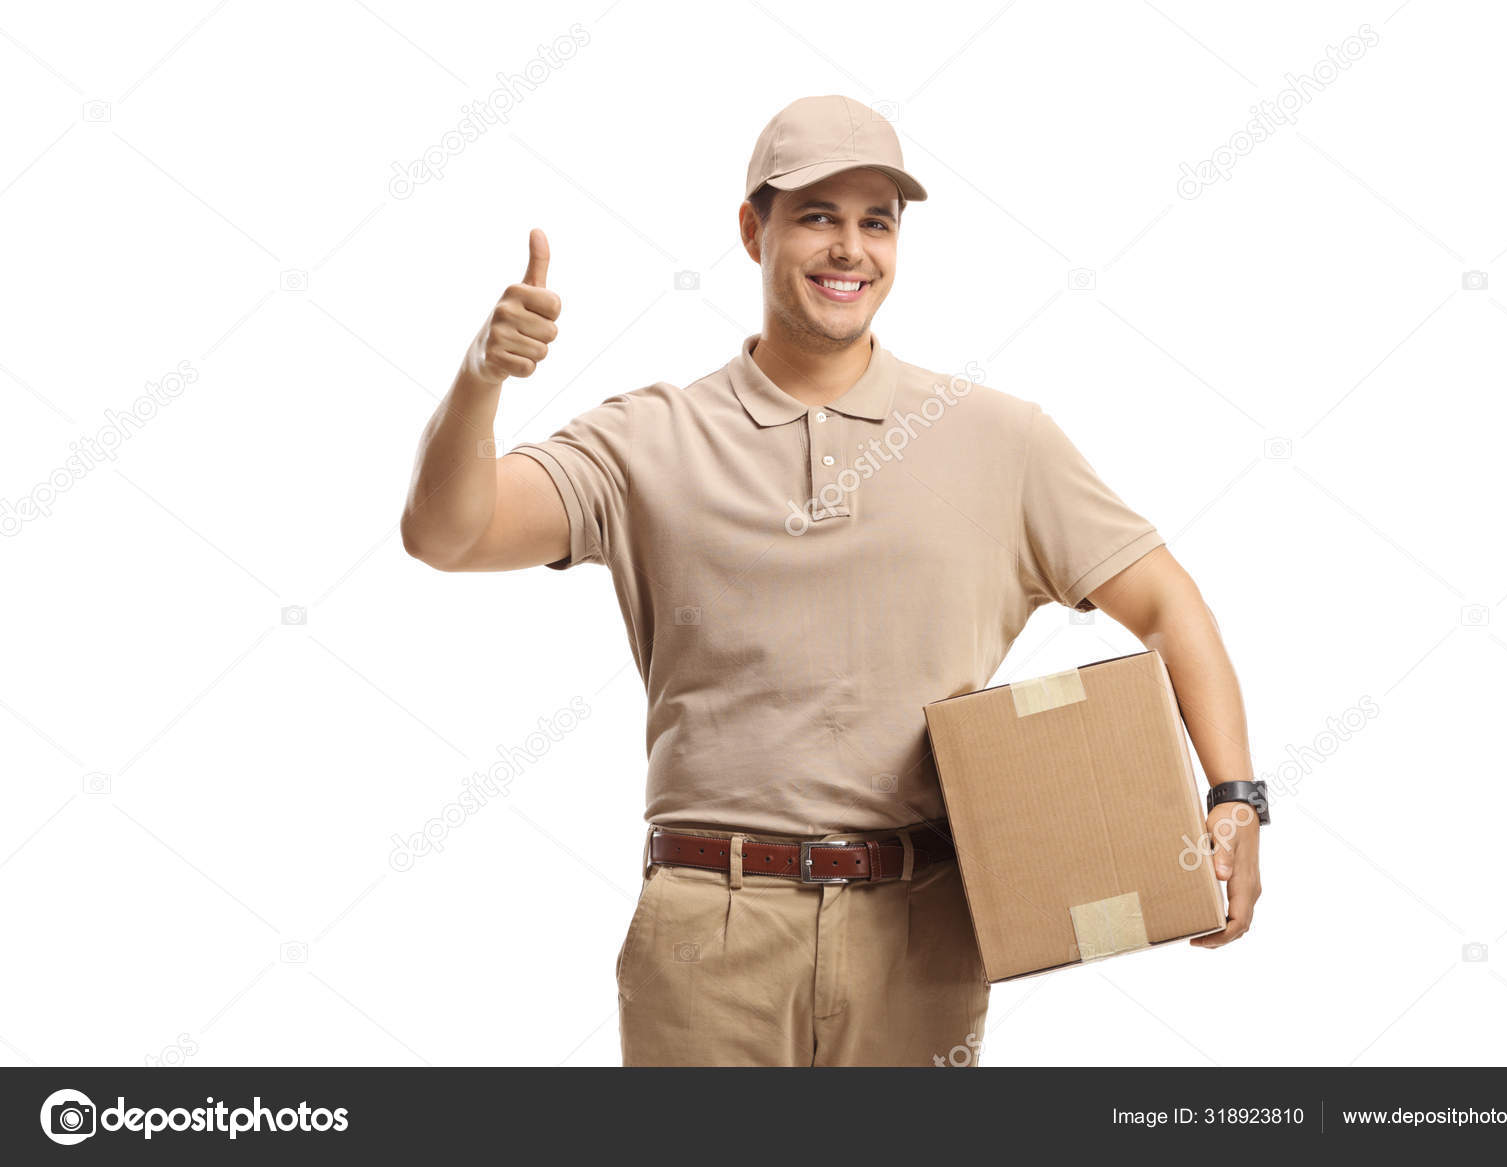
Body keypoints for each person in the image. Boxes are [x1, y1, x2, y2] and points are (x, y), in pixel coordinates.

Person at [399, 95, 1263, 1067]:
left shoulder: (999, 439)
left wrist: (1236, 798)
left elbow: (1165, 602)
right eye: (817, 215)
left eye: (876, 222)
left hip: (925, 931)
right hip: (707, 933)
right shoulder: (649, 438)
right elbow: (447, 532)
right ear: (750, 229)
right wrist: (481, 378)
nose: (849, 248)